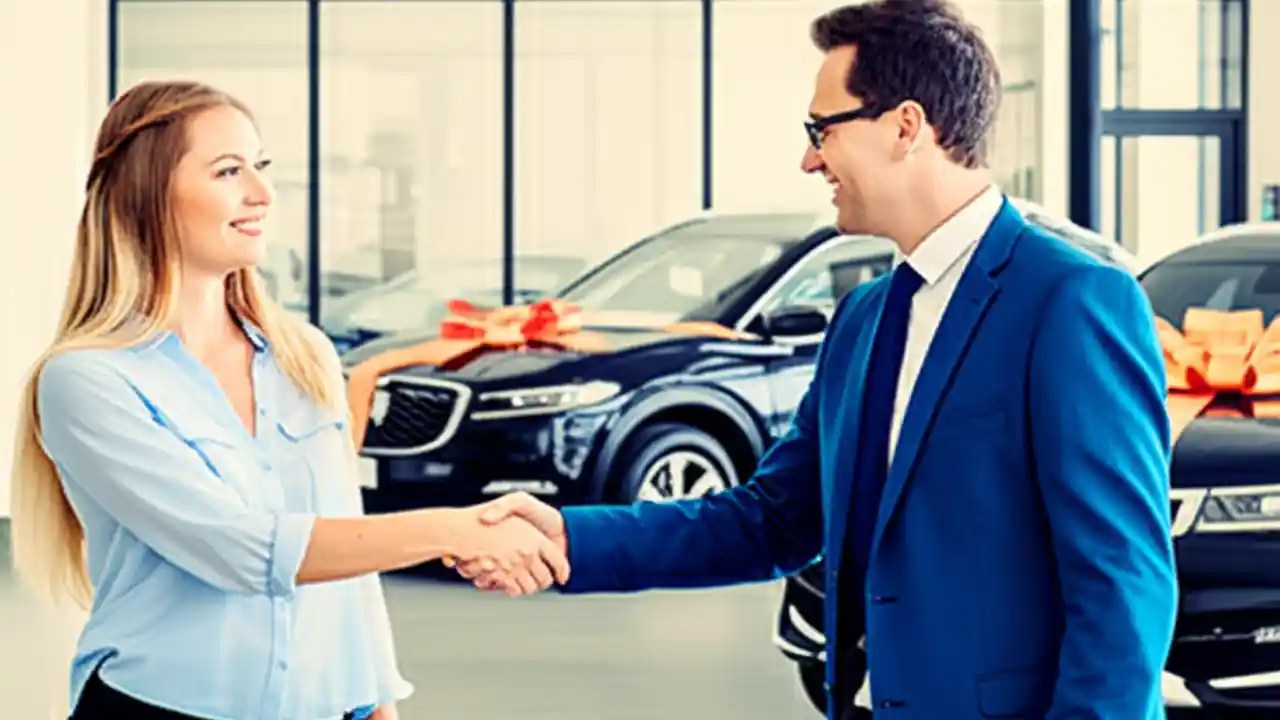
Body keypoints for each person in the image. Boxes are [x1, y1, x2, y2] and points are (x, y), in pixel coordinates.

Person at [456, 1, 1178, 718]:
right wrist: (568, 536)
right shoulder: (863, 320)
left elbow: (1124, 582)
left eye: (821, 129)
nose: (809, 158)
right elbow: (774, 519)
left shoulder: (1072, 300)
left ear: (905, 127)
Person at [8, 80, 568, 720]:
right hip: (159, 707)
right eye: (228, 171)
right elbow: (238, 549)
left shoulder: (304, 354)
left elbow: (344, 545)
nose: (261, 193)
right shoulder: (88, 380)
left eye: (260, 167)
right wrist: (457, 527)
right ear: (147, 193)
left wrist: (377, 694)